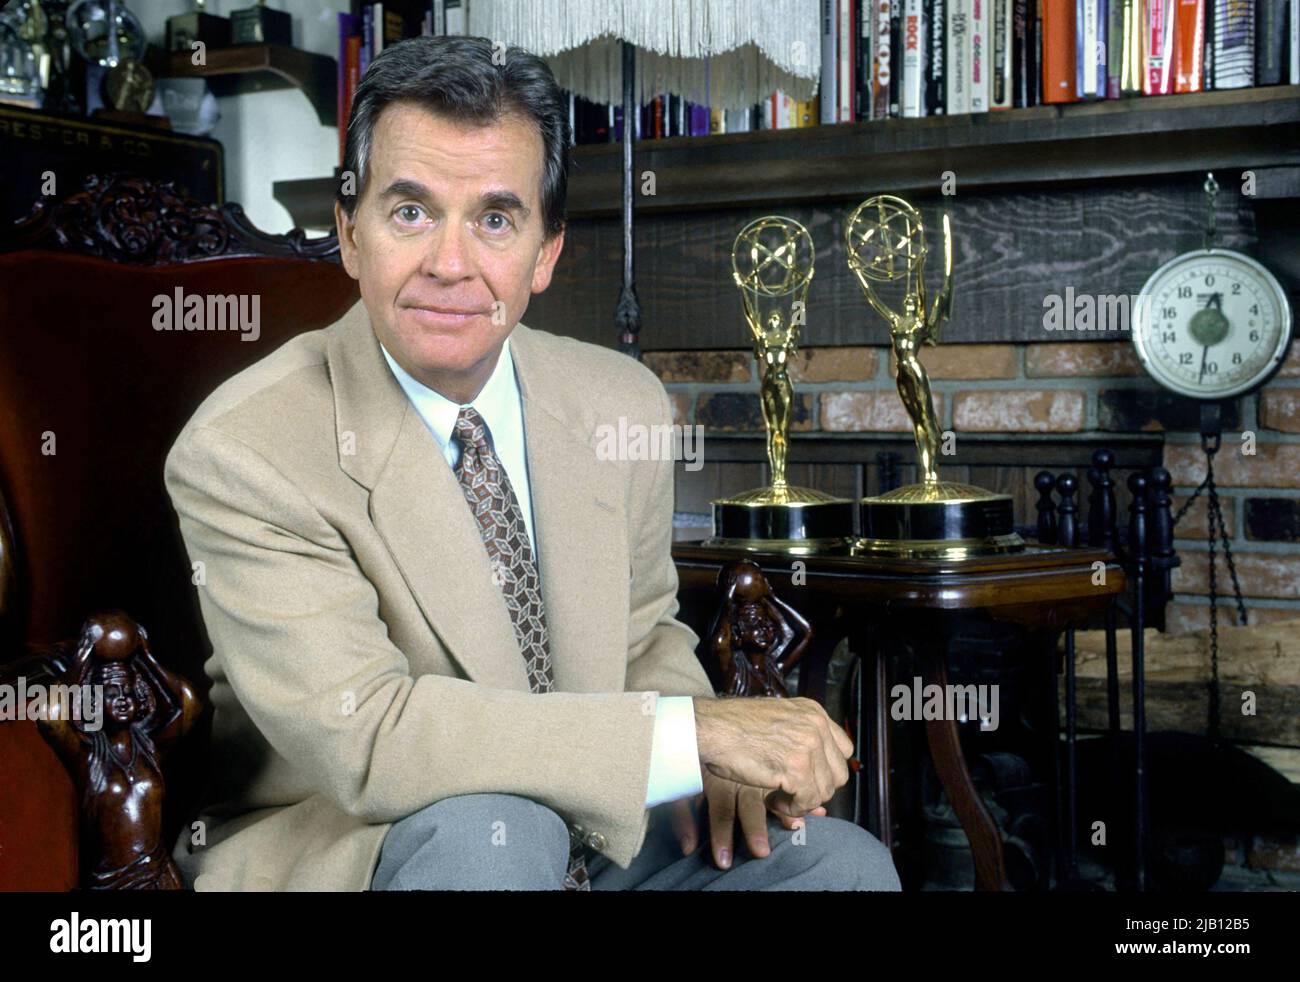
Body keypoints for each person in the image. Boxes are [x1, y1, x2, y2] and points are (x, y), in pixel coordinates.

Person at [164, 34, 900, 892]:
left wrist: (716, 751)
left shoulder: (617, 403)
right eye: (410, 212)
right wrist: (687, 736)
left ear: (546, 253)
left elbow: (643, 637)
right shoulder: (246, 450)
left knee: (837, 866)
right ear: (349, 233)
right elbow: (368, 735)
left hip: (593, 830)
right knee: (495, 834)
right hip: (359, 842)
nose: (449, 263)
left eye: (495, 219)